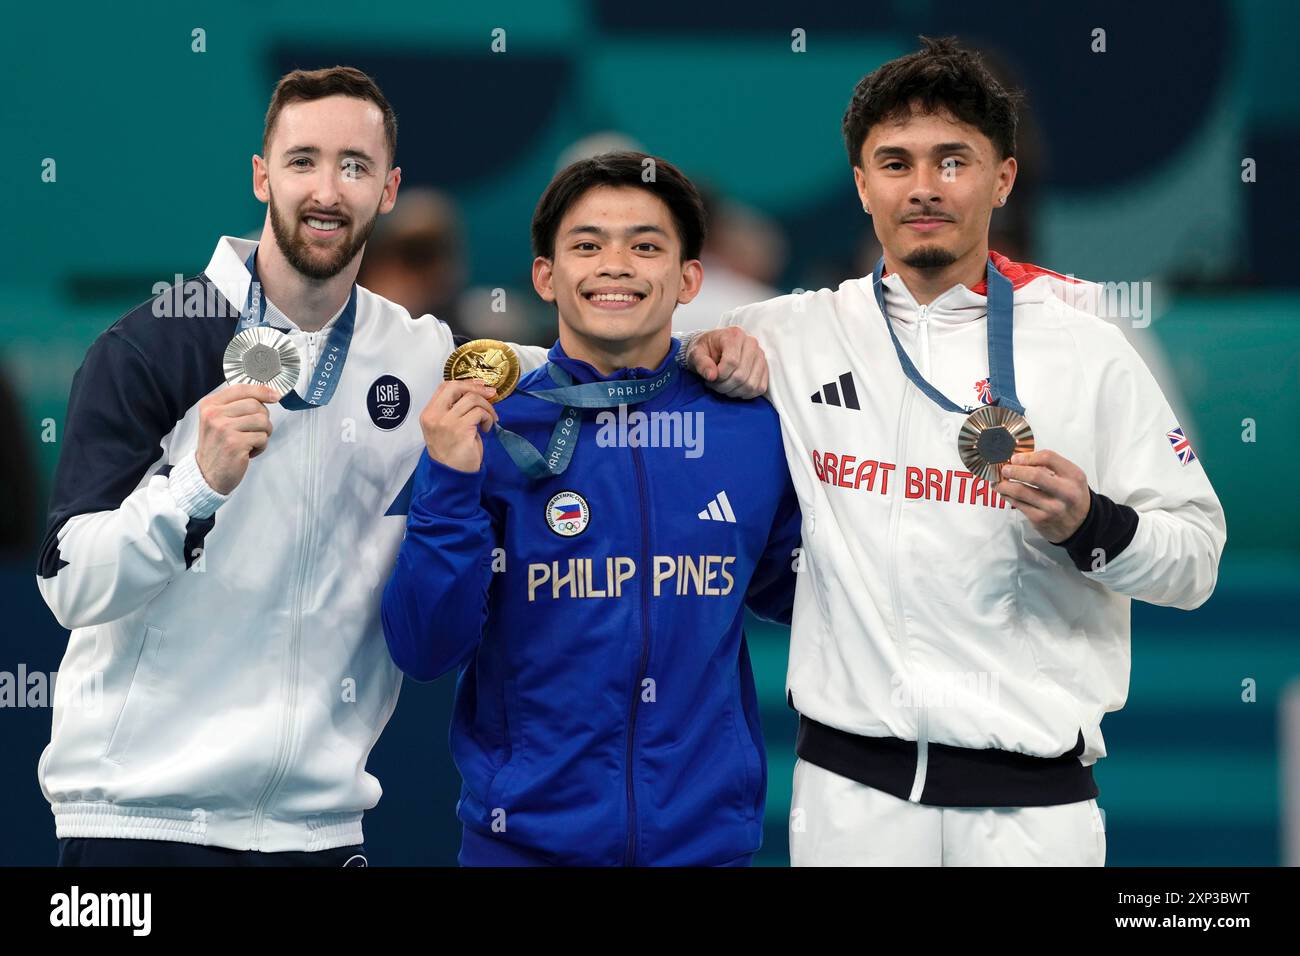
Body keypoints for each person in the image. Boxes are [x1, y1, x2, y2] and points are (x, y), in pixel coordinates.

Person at [36, 67, 764, 867]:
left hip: (317, 827)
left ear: (388, 188)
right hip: (136, 820)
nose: (327, 189)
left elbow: (585, 353)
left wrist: (699, 350)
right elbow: (69, 584)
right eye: (303, 160)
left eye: (354, 166)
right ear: (261, 174)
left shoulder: (419, 354)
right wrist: (195, 489)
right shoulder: (151, 347)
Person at [706, 36, 1227, 866]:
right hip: (848, 802)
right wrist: (704, 357)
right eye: (896, 162)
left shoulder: (1090, 344)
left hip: (1035, 808)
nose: (923, 187)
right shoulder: (791, 333)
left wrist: (1092, 525)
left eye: (953, 160)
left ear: (1003, 178)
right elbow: (608, 346)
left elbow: (1197, 560)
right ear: (861, 184)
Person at [381, 151, 802, 866]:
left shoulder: (750, 424)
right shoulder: (489, 425)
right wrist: (450, 485)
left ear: (689, 278)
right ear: (545, 275)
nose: (616, 264)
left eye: (645, 245)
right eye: (586, 245)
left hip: (706, 849)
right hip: (522, 848)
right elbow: (424, 649)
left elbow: (801, 591)